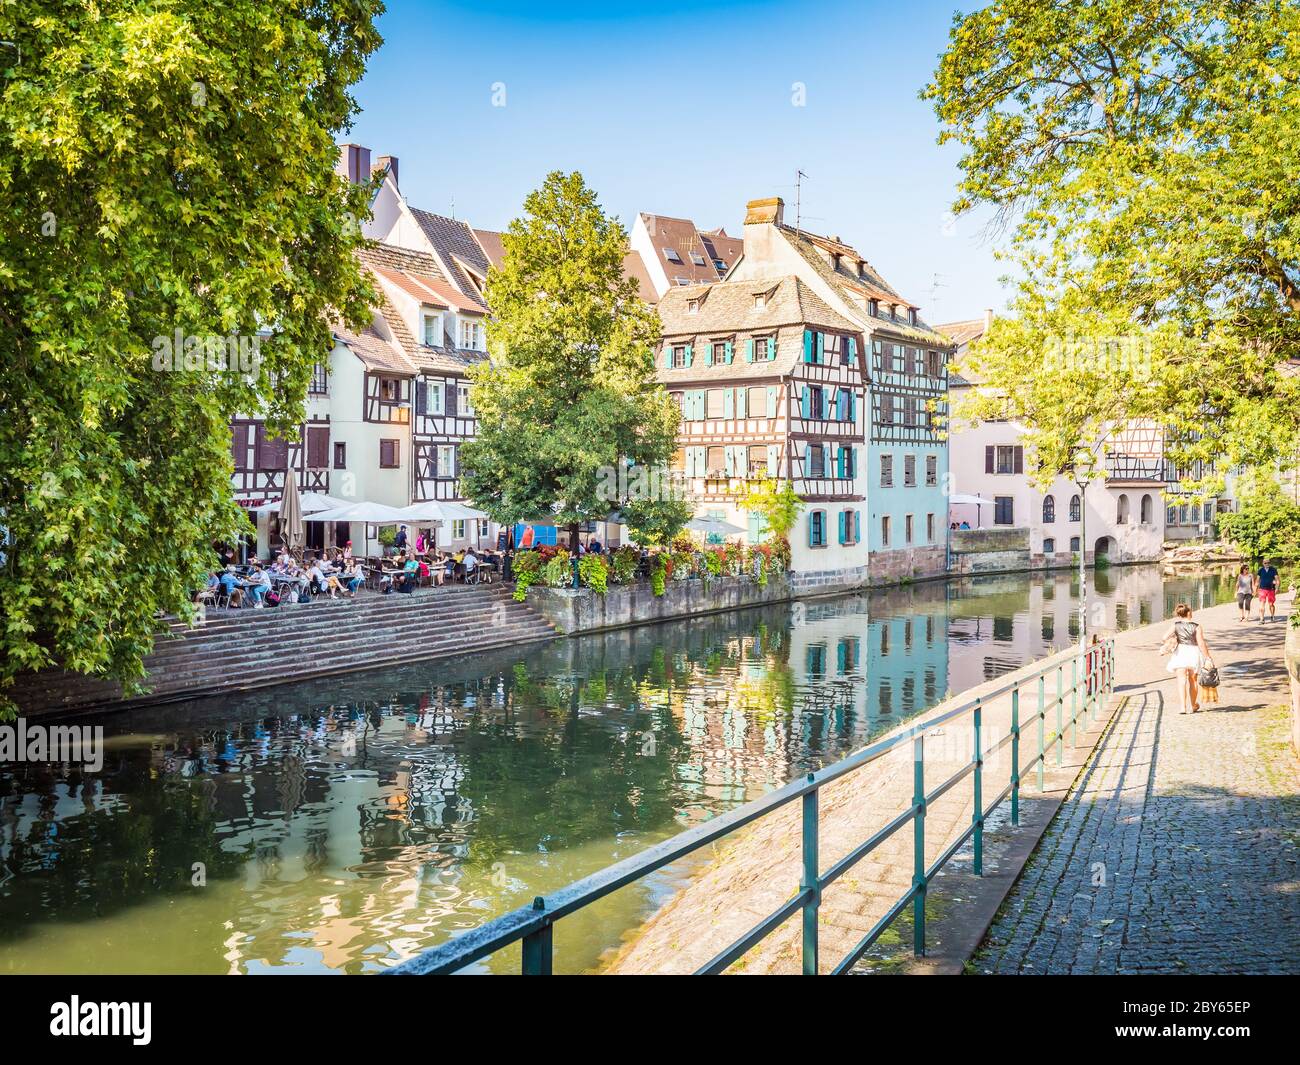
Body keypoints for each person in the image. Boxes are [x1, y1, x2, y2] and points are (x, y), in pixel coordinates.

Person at [1162, 603, 1214, 714]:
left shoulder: (1175, 625)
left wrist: (1172, 641)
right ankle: (1194, 705)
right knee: (1193, 680)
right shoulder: (1197, 626)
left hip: (1180, 652)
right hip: (1193, 653)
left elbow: (1164, 637)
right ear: (1189, 612)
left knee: (1181, 681)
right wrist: (1208, 657)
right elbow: (1200, 643)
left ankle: (1183, 707)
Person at [1256, 558, 1280, 622]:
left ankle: (1272, 616)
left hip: (1271, 589)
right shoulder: (1260, 570)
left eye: (1268, 563)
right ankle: (1262, 619)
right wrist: (1255, 589)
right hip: (1262, 589)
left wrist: (1277, 588)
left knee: (1271, 604)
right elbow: (1257, 580)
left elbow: (1277, 580)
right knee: (1262, 603)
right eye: (1265, 563)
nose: (1267, 564)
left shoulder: (1273, 570)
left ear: (1270, 563)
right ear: (1263, 563)